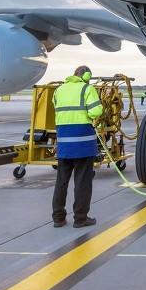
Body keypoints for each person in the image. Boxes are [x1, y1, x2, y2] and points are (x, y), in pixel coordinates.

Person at [52, 65, 104, 228]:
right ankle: (80, 218)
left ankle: (58, 218)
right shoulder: (87, 89)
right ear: (87, 76)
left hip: (64, 142)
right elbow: (96, 111)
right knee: (82, 182)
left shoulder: (59, 90)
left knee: (61, 181)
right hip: (83, 142)